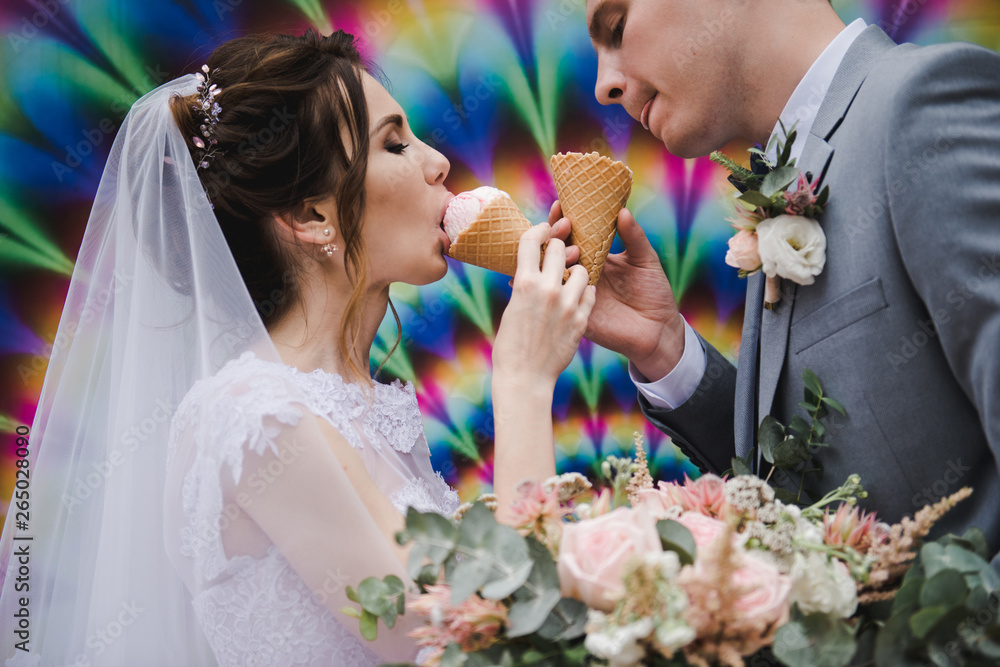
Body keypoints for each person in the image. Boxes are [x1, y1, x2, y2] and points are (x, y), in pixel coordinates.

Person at [0, 30, 595, 665]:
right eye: (395, 144)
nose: (438, 162)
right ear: (312, 218)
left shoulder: (365, 404)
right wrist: (524, 383)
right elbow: (472, 642)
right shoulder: (256, 417)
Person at [552, 0, 1000, 567]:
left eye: (617, 28)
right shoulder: (787, 175)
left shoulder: (925, 104)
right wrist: (664, 347)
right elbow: (796, 500)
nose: (602, 86)